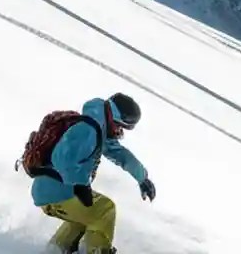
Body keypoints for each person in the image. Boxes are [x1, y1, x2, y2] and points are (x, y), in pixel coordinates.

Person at [30, 93, 155, 254]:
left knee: (85, 218)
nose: (119, 132)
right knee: (104, 210)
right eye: (120, 127)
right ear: (113, 119)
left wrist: (142, 177)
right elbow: (61, 157)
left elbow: (119, 153)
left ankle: (57, 249)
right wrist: (80, 184)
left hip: (50, 190)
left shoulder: (99, 128)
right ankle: (97, 251)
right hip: (56, 189)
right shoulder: (88, 129)